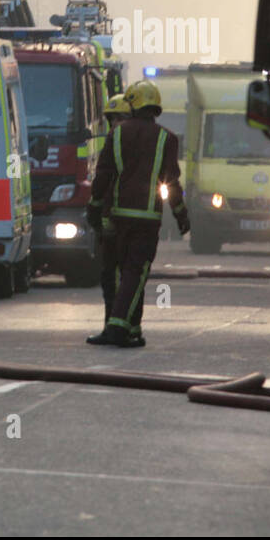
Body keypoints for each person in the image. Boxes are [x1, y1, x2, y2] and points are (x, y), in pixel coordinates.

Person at [85, 80, 189, 347]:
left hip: (119, 216)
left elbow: (104, 175)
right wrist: (181, 215)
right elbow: (172, 183)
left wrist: (95, 208)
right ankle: (121, 326)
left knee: (122, 272)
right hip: (148, 218)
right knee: (136, 271)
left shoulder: (117, 134)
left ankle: (129, 328)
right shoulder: (168, 138)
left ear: (133, 103)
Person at [96, 93, 133, 329]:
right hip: (111, 220)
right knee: (108, 276)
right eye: (111, 120)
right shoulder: (110, 143)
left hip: (129, 222)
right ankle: (111, 321)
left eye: (119, 119)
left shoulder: (134, 148)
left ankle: (122, 324)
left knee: (127, 275)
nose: (114, 125)